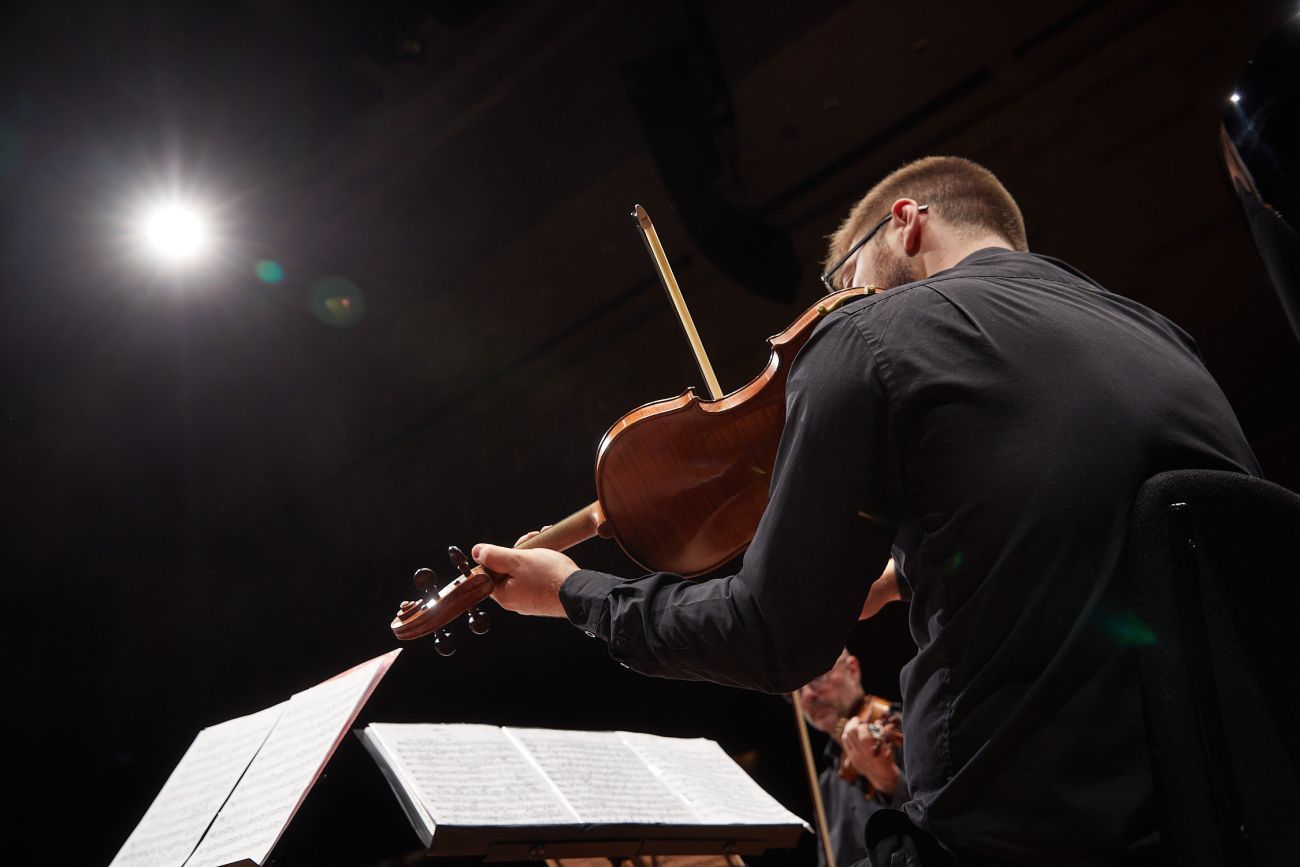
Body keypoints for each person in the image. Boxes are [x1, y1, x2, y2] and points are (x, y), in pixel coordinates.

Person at [471, 156, 1261, 864]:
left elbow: (772, 636)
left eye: (845, 281)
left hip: (1021, 834)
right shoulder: (1164, 339)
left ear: (908, 222)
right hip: (1242, 808)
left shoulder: (871, 337)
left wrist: (574, 592)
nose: (841, 304)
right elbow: (1099, 545)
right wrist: (902, 578)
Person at [797, 649, 905, 867]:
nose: (807, 695)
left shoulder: (906, 730)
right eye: (796, 690)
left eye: (817, 677)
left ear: (853, 670)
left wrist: (890, 780)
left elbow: (945, 823)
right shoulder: (826, 784)